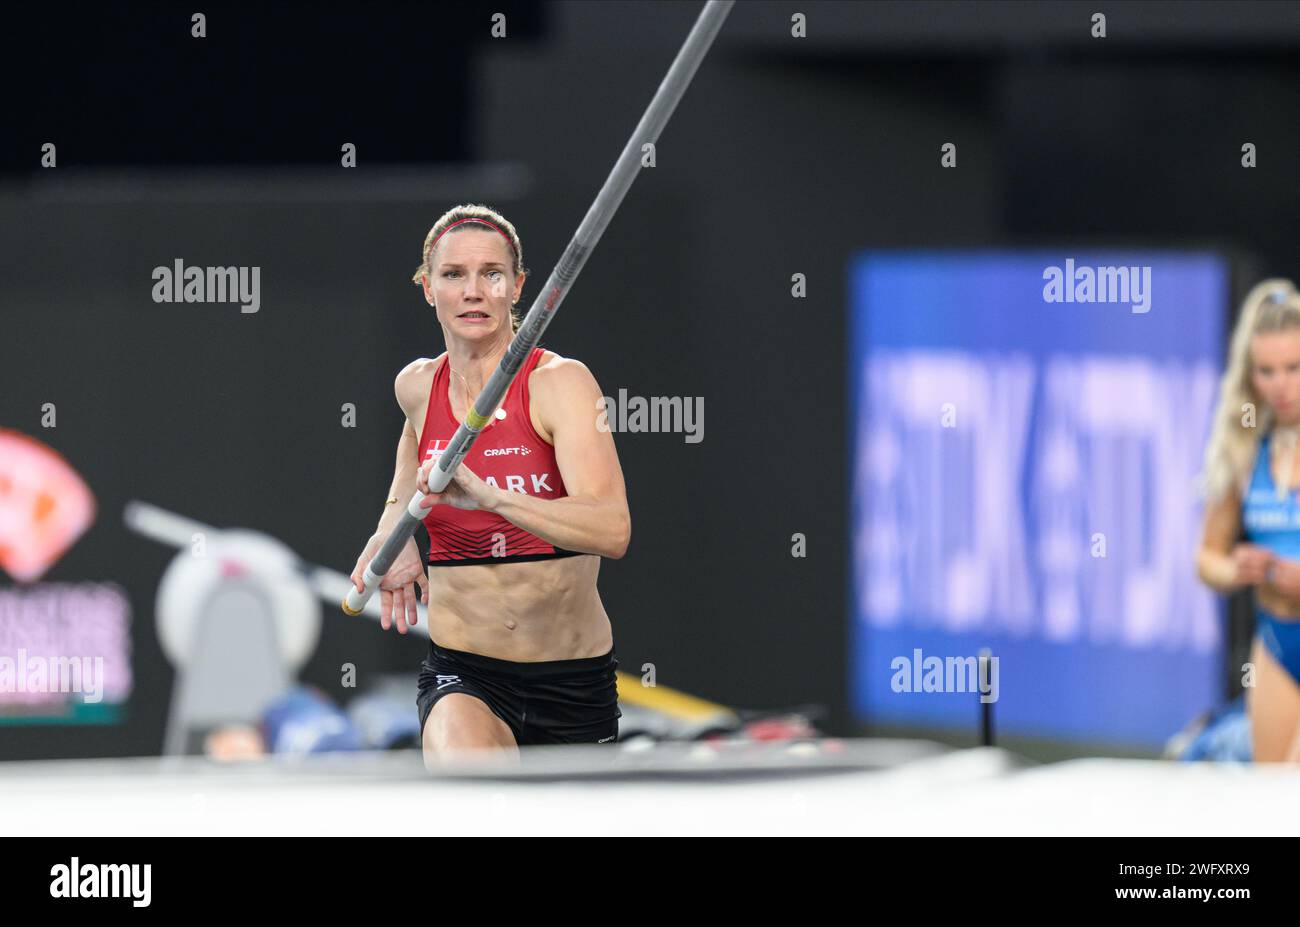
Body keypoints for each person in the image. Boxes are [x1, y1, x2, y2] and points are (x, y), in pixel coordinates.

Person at [350, 204, 630, 764]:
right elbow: (413, 443)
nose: (473, 291)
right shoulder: (416, 386)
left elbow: (611, 528)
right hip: (465, 673)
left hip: (572, 682)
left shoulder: (561, 384)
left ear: (518, 286)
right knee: (475, 799)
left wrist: (492, 497)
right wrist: (395, 527)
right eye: (454, 275)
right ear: (428, 288)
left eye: (491, 274)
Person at [1197, 277, 1300, 762]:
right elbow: (1206, 558)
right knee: (1272, 797)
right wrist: (1237, 569)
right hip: (1277, 640)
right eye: (1267, 371)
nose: (1281, 386)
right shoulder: (1245, 446)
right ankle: (1214, 741)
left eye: (1294, 368)